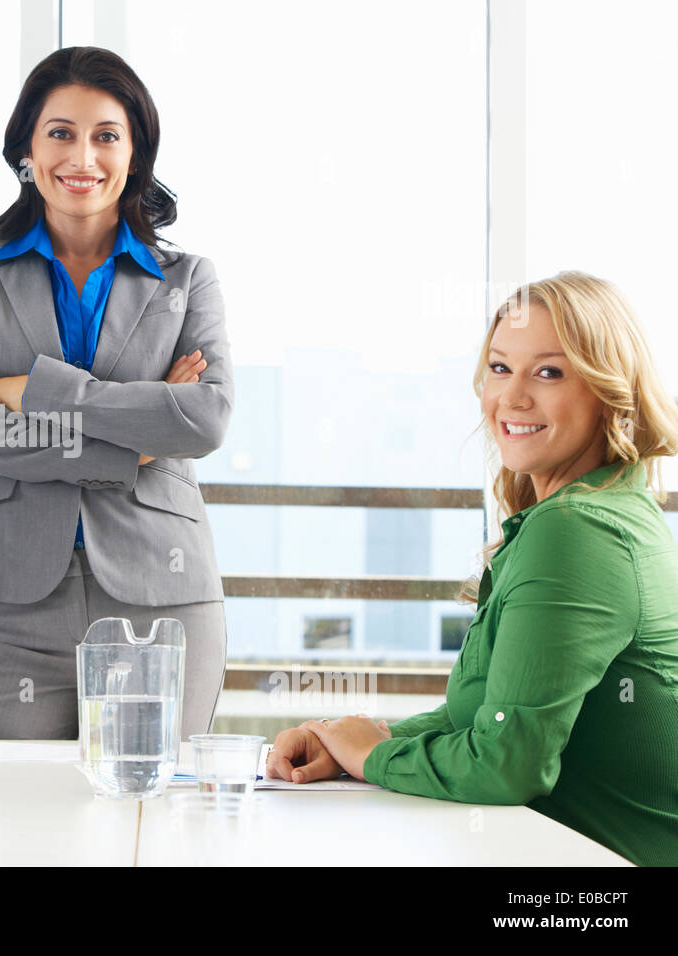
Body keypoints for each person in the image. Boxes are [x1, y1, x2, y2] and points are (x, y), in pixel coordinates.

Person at [266, 272, 678, 866]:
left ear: (610, 391)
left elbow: (507, 765)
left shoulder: (579, 531)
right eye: (500, 367)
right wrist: (350, 741)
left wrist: (373, 757)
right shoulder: (604, 509)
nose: (511, 398)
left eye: (550, 371)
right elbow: (492, 719)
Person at [0, 47, 234, 738]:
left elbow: (204, 419)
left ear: (135, 152)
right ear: (26, 149)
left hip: (163, 602)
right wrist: (134, 438)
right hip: (12, 604)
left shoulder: (188, 278)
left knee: (150, 825)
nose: (82, 157)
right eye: (61, 133)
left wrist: (39, 390)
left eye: (106, 136)